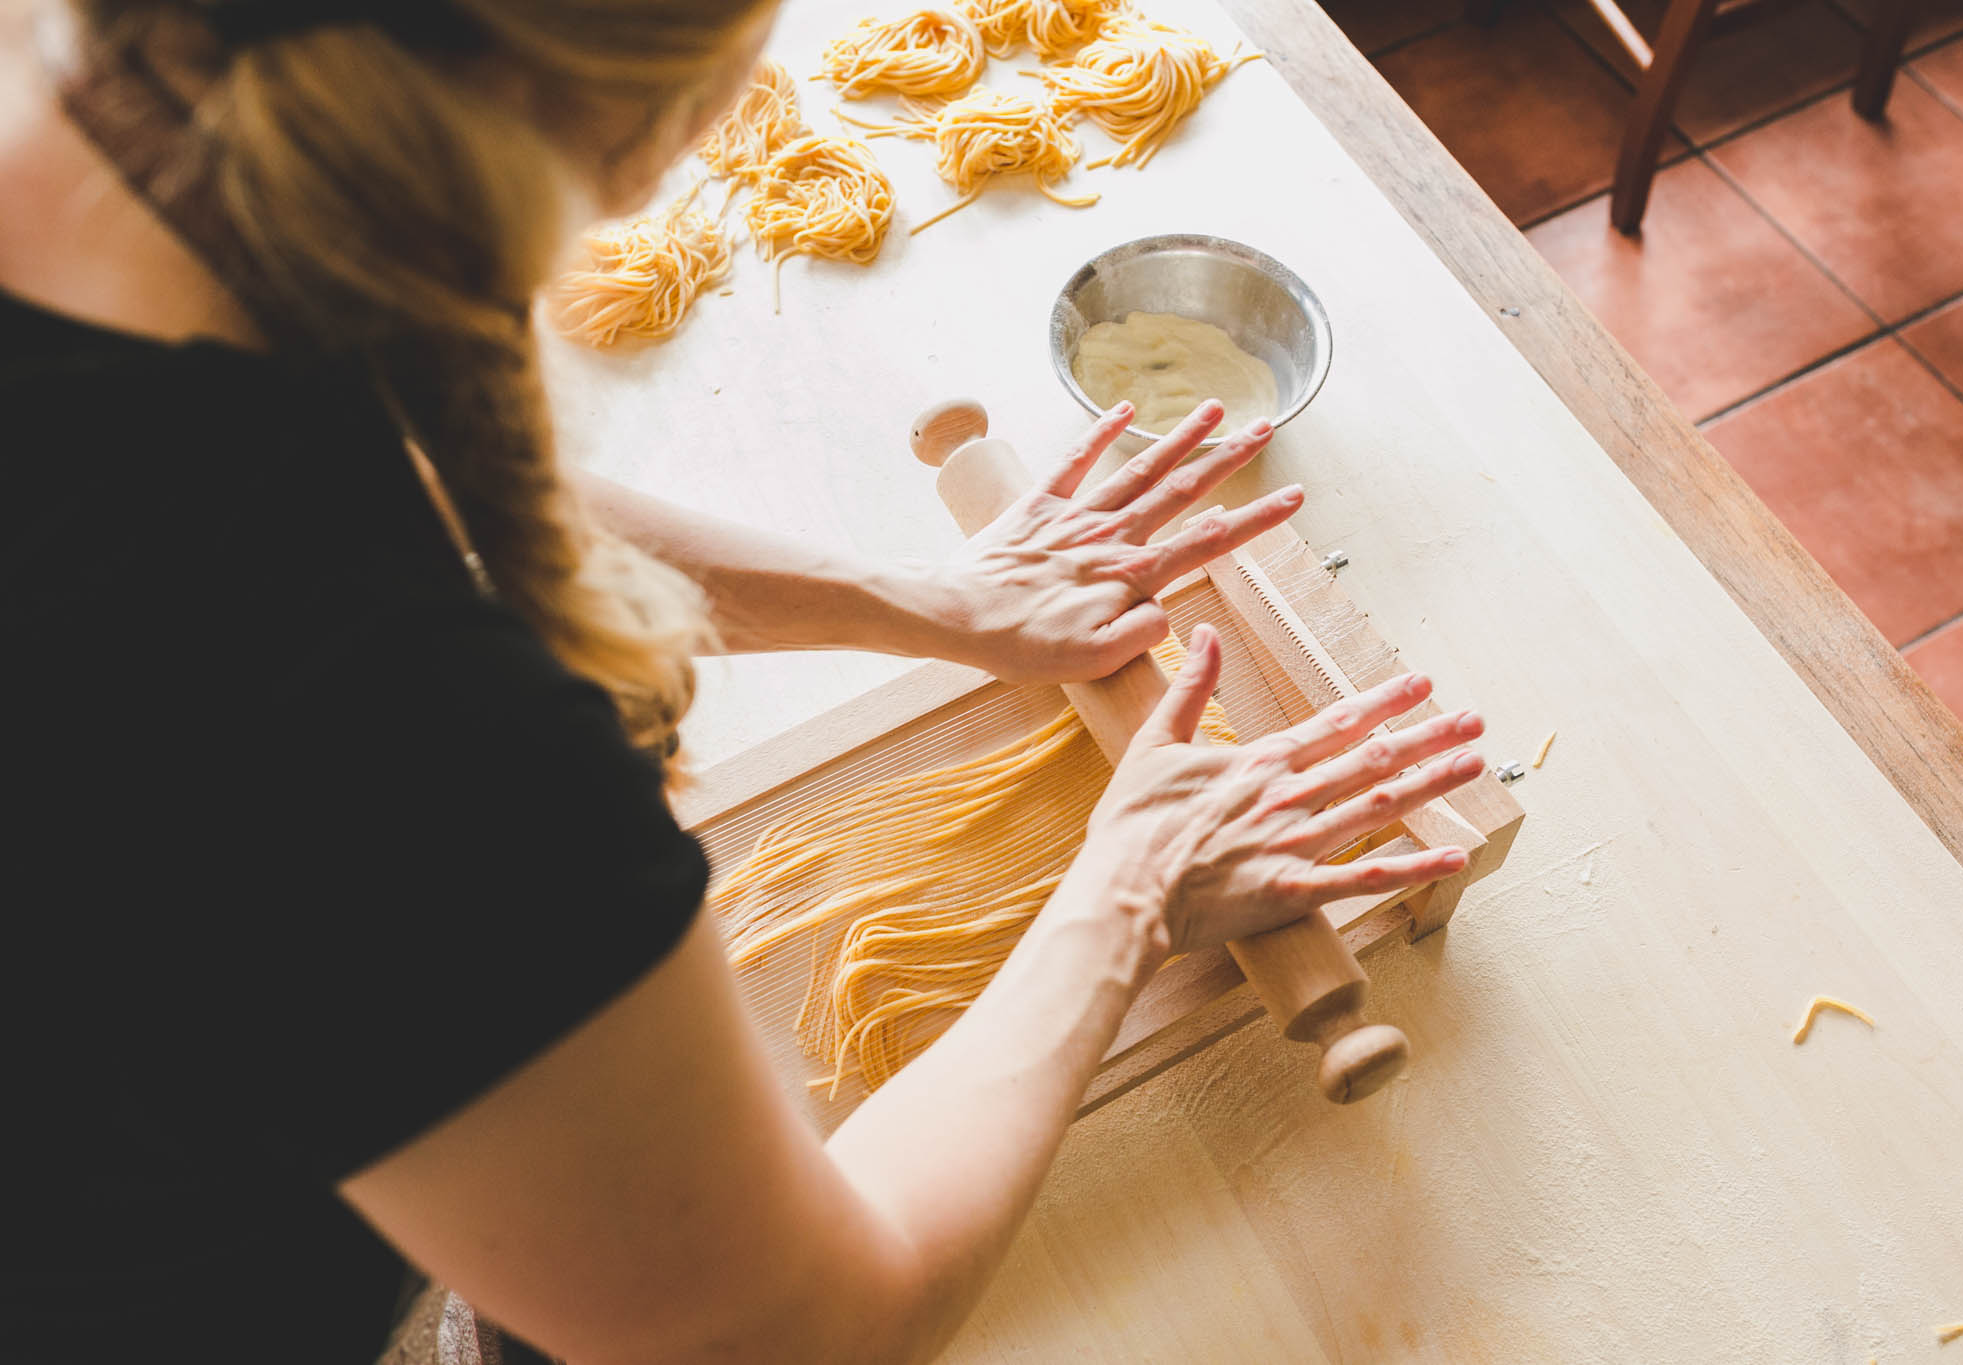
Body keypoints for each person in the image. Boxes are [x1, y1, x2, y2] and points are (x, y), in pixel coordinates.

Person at [0, 1, 1488, 1361]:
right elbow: (795, 1328)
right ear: (640, 140)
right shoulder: (391, 748)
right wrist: (1129, 883)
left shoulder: (77, 121)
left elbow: (357, 466)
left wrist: (928, 602)